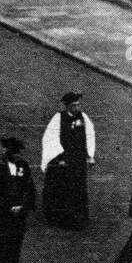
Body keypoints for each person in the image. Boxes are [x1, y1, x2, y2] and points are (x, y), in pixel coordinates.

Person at [40, 92, 95, 229]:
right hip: (64, 160)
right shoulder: (58, 118)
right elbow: (50, 138)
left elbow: (90, 135)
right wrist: (59, 158)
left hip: (78, 160)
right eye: (73, 105)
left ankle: (77, 219)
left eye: (78, 105)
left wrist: (90, 155)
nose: (76, 108)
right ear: (67, 106)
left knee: (78, 188)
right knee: (62, 189)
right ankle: (59, 218)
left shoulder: (83, 117)